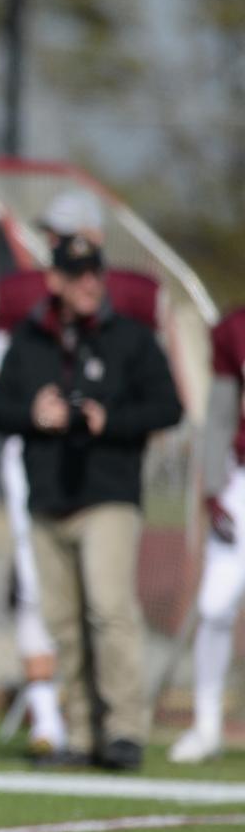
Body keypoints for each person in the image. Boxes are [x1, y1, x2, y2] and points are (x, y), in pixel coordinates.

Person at [0, 234, 183, 771]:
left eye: (95, 273)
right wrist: (33, 412)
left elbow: (168, 406)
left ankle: (124, 730)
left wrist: (107, 422)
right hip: (49, 495)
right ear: (55, 282)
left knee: (110, 610)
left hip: (107, 492)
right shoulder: (30, 339)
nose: (89, 284)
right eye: (77, 275)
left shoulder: (130, 339)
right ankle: (80, 731)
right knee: (63, 622)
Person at [170, 306, 245, 763]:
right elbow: (220, 413)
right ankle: (207, 724)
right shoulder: (234, 330)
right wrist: (213, 486)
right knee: (215, 602)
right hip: (242, 482)